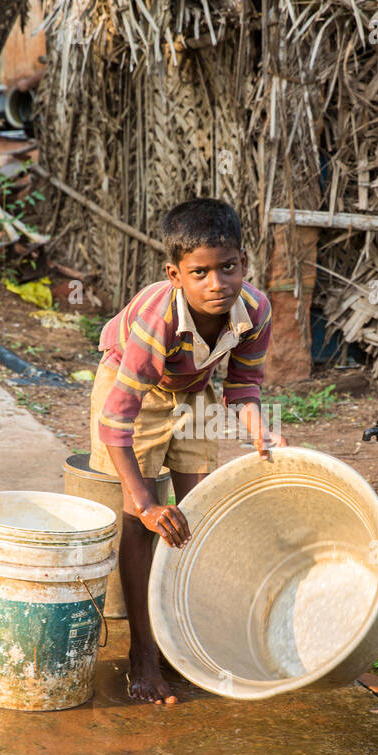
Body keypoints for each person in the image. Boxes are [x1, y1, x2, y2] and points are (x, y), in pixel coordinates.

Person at [88, 197, 287, 704]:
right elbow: (115, 425)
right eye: (200, 273)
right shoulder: (158, 322)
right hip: (132, 388)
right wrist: (148, 504)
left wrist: (259, 430)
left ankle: (182, 636)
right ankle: (143, 653)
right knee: (141, 517)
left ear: (244, 261)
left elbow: (243, 385)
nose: (217, 283)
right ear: (175, 275)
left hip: (191, 387)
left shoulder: (256, 311)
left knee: (194, 512)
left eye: (228, 267)